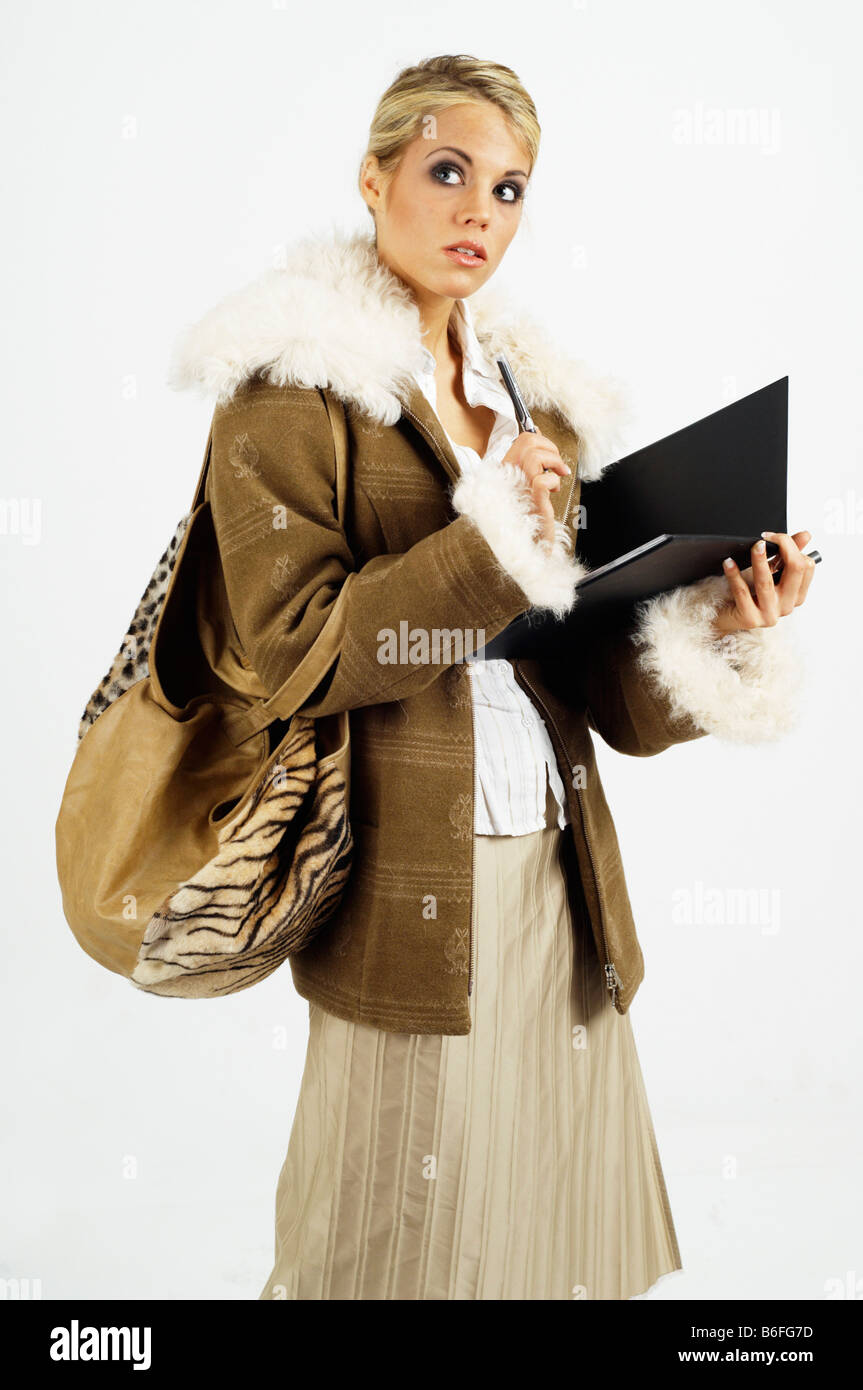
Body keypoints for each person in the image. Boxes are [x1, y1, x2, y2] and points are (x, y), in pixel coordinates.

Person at [169, 54, 816, 1300]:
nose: (480, 212)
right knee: (381, 1238)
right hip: (406, 872)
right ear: (372, 179)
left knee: (538, 1226)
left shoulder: (536, 404)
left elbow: (590, 693)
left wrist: (716, 623)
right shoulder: (289, 395)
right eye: (448, 172)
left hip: (556, 873)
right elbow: (292, 651)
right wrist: (484, 549)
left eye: (511, 188)